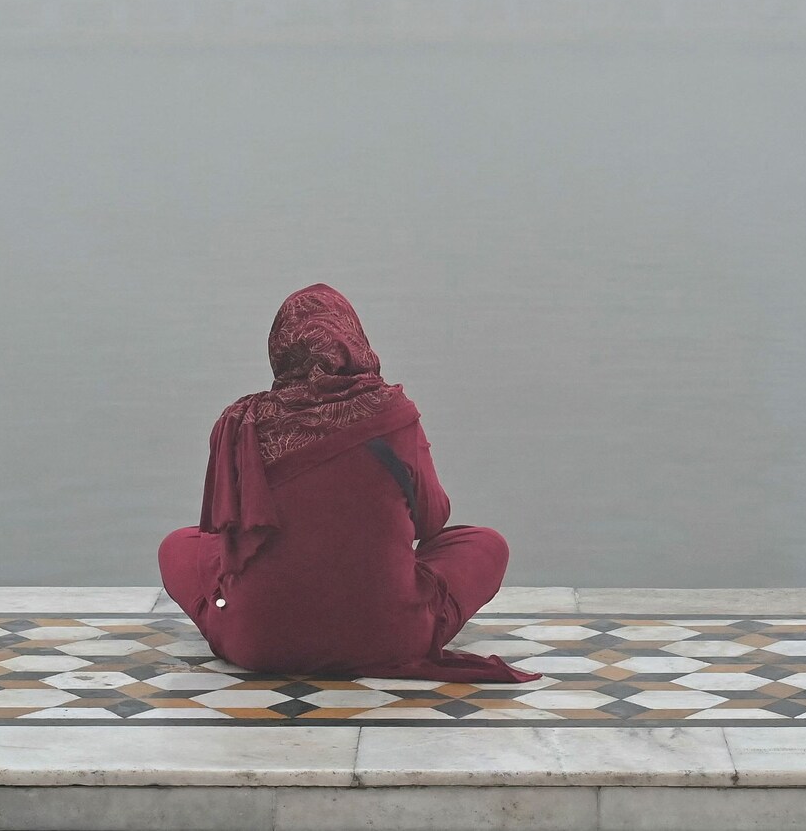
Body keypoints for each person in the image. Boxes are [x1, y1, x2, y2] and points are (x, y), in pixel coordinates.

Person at [157, 283, 534, 681]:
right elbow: (432, 522)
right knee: (484, 542)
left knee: (179, 544)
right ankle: (382, 598)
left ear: (280, 350)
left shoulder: (242, 423)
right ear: (355, 341)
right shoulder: (393, 415)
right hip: (390, 637)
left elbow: (224, 530)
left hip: (258, 645)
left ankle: (254, 613)